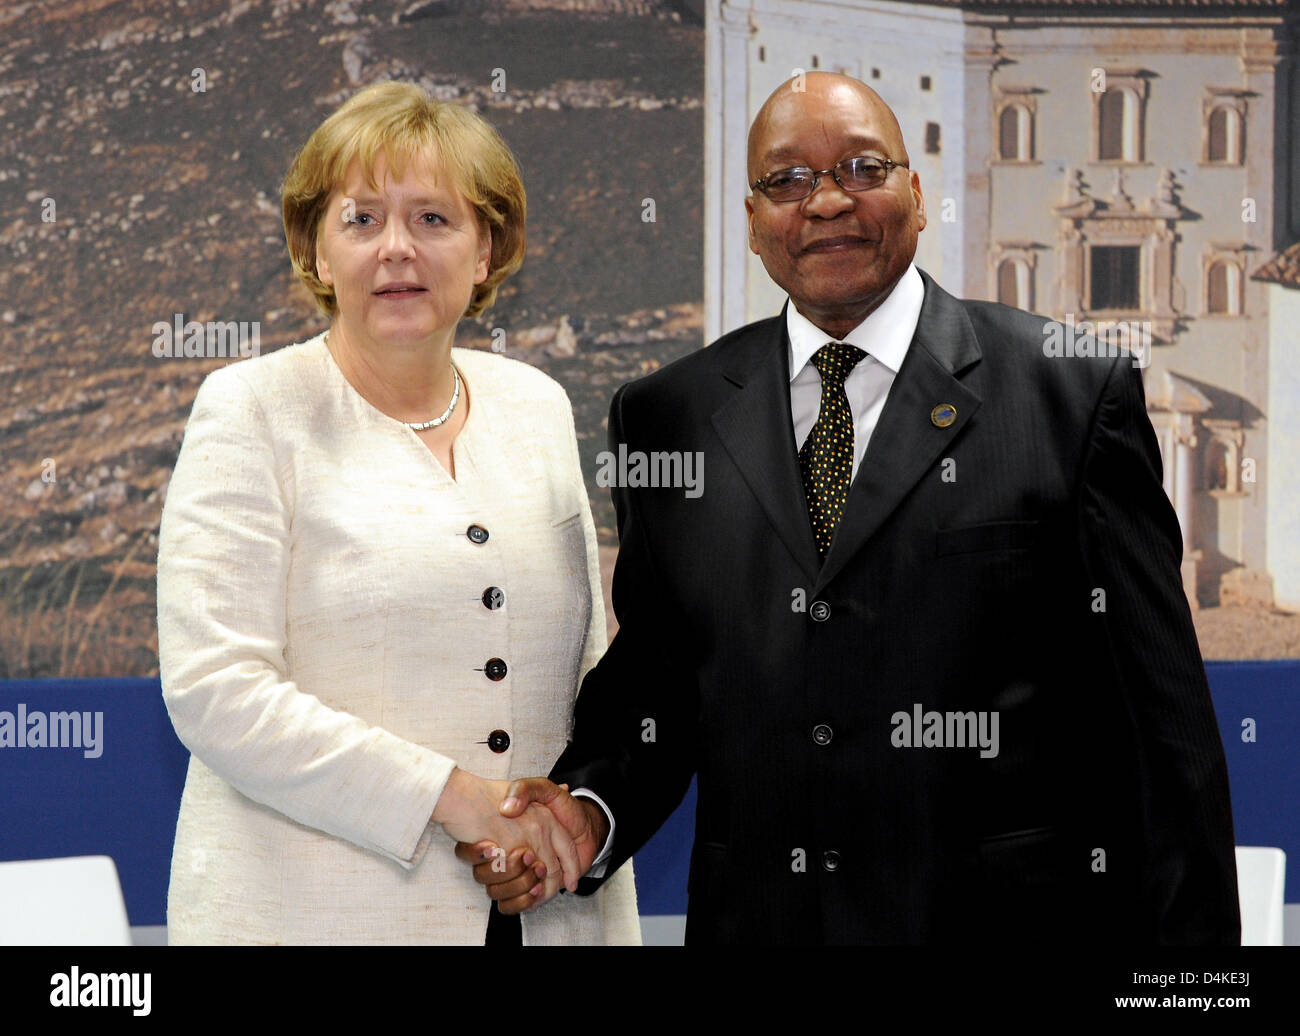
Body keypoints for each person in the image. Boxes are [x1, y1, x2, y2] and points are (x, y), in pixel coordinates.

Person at [456, 72, 1240, 944]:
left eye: (862, 168)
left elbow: (1167, 737)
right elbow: (659, 689)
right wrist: (588, 812)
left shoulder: (1068, 394)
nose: (825, 202)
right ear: (753, 224)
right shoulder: (666, 416)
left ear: (915, 191)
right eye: (786, 181)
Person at [156, 81, 639, 945]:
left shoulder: (535, 405)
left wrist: (550, 833)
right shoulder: (252, 410)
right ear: (315, 251)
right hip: (312, 917)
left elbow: (583, 664)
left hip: (542, 912)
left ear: (486, 250)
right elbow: (217, 693)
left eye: (433, 220)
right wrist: (460, 802)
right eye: (362, 220)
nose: (397, 251)